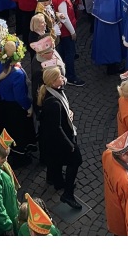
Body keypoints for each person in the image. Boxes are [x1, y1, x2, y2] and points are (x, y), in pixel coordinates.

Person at [36, 64, 84, 210]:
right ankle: (68, 194)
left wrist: (67, 113)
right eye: (59, 77)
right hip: (59, 140)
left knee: (55, 162)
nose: (63, 79)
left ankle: (56, 181)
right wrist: (70, 145)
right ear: (52, 82)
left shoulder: (52, 93)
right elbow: (56, 128)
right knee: (76, 160)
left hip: (50, 140)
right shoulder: (54, 103)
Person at [101, 129, 128, 237]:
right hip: (121, 217)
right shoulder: (125, 181)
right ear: (123, 156)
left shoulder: (108, 153)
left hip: (112, 205)